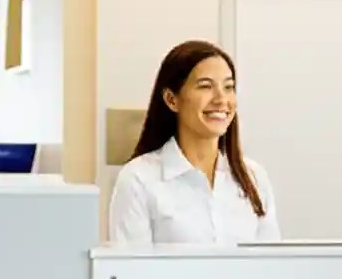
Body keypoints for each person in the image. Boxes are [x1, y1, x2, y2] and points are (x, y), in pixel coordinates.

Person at [109, 40, 279, 244]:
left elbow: (271, 260)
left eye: (228, 87)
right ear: (172, 99)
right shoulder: (139, 179)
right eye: (205, 86)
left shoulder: (254, 177)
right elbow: (130, 263)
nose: (221, 99)